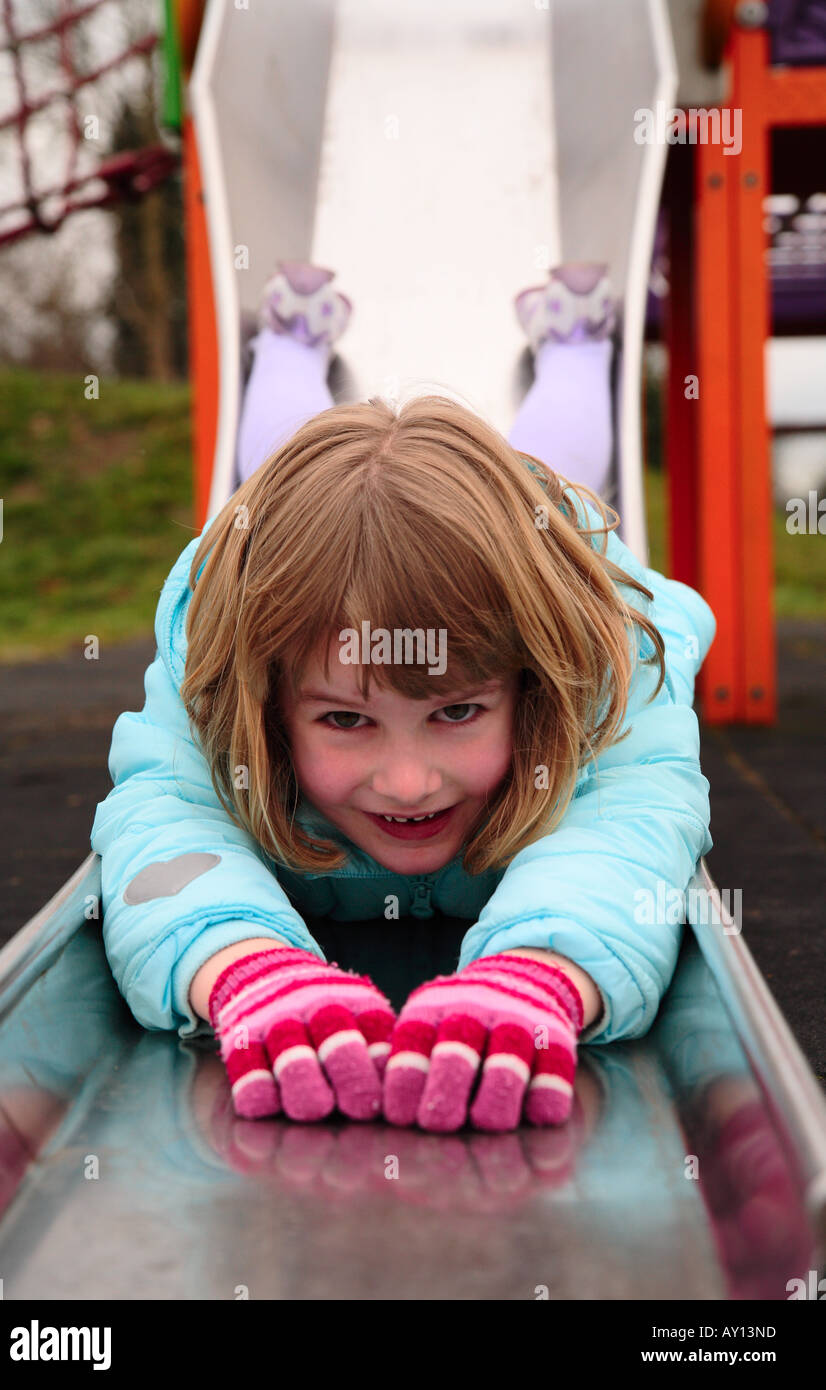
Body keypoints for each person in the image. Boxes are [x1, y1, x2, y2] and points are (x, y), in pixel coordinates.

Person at [90, 259, 716, 1134]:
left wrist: (542, 972)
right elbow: (166, 819)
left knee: (560, 469)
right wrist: (242, 966)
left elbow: (629, 826)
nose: (409, 781)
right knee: (270, 470)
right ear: (270, 704)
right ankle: (292, 339)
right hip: (312, 548)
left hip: (541, 533)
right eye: (346, 720)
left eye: (456, 712)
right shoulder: (229, 675)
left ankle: (573, 341)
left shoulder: (595, 677)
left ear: (530, 687)